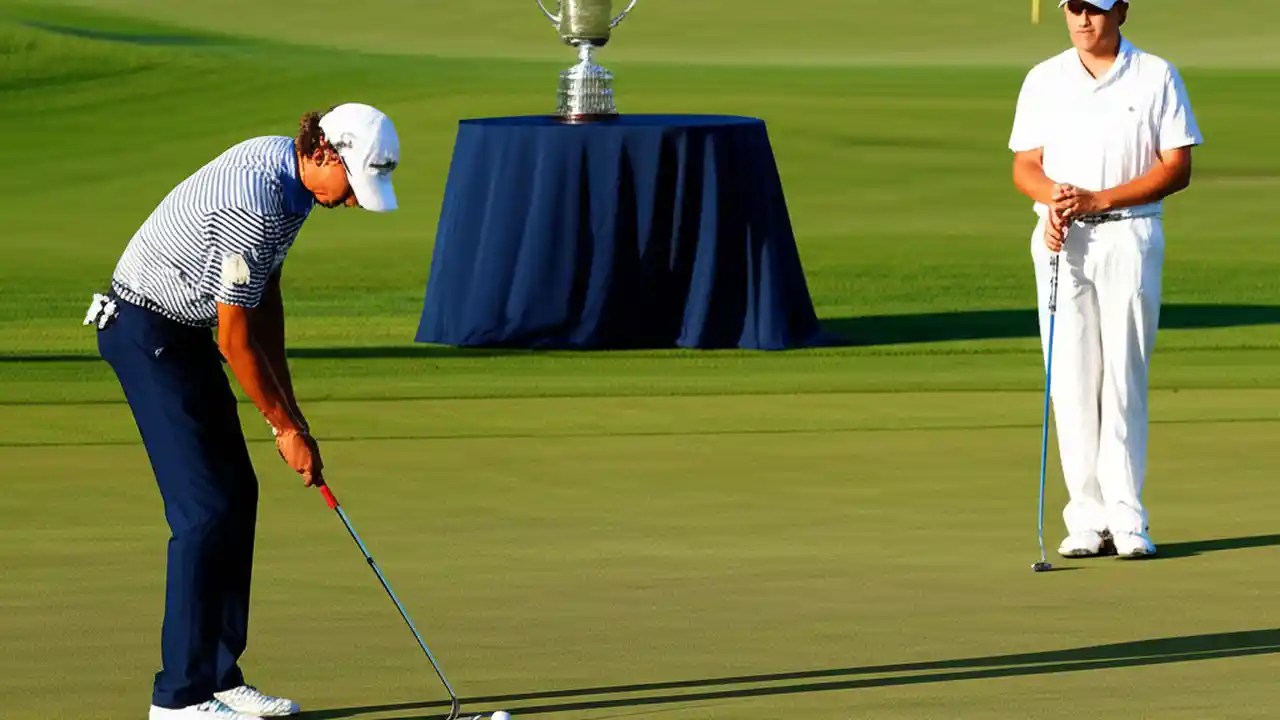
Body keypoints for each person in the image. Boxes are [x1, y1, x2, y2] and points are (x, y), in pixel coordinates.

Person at [84, 103, 401, 719]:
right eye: (355, 185)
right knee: (203, 512)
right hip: (147, 334)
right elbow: (234, 340)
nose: (357, 201)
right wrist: (281, 426)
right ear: (325, 153)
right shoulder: (252, 202)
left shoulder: (294, 186)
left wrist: (293, 416)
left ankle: (218, 674)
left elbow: (264, 308)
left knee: (238, 493)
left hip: (181, 334)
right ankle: (178, 700)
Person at [1008, 0, 1202, 559]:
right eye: (1073, 8)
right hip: (1062, 240)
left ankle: (1127, 515)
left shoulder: (1156, 74)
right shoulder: (1044, 78)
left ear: (1121, 11)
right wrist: (1056, 204)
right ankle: (1086, 519)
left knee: (1122, 375)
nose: (1082, 19)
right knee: (1069, 379)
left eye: (1094, 8)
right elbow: (1026, 165)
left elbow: (1176, 166)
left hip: (1130, 235)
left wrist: (1100, 199)